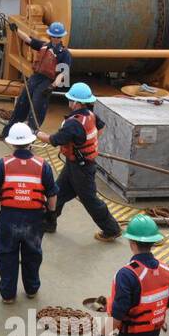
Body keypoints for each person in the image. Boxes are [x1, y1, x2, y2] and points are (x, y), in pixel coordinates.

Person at [38, 81, 122, 241]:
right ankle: (49, 222)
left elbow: (55, 140)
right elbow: (101, 128)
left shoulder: (73, 124)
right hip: (75, 164)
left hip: (81, 169)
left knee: (90, 200)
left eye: (70, 99)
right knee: (57, 192)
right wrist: (88, 144)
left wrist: (37, 134)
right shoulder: (90, 115)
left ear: (76, 103)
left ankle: (112, 229)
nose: (69, 102)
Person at [0, 122, 57, 304]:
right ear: (30, 143)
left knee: (6, 254)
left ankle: (8, 295)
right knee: (32, 254)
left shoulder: (3, 164)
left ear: (12, 143)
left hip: (9, 217)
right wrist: (52, 214)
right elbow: (52, 193)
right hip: (34, 219)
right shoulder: (42, 165)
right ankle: (31, 289)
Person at [106, 214, 169, 336]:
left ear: (132, 242)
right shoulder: (165, 270)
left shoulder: (126, 275)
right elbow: (167, 302)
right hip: (152, 335)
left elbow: (118, 315)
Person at [1, 21, 70, 138]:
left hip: (46, 82)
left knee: (36, 111)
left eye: (58, 37)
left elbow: (63, 73)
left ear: (61, 37)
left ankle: (29, 139)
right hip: (35, 78)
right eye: (53, 36)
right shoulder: (43, 45)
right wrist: (16, 30)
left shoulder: (64, 54)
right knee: (21, 105)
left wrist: (52, 86)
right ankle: (7, 134)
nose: (56, 39)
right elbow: (28, 40)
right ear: (50, 35)